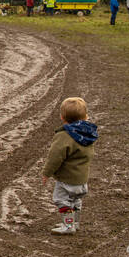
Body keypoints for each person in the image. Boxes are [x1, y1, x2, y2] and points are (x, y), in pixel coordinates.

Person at [41, 97, 98, 235]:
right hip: (82, 180)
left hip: (67, 180)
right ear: (86, 116)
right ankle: (74, 223)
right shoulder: (88, 134)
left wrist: (46, 173)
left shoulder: (64, 136)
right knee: (76, 200)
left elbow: (55, 157)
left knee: (62, 200)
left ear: (62, 117)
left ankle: (68, 226)